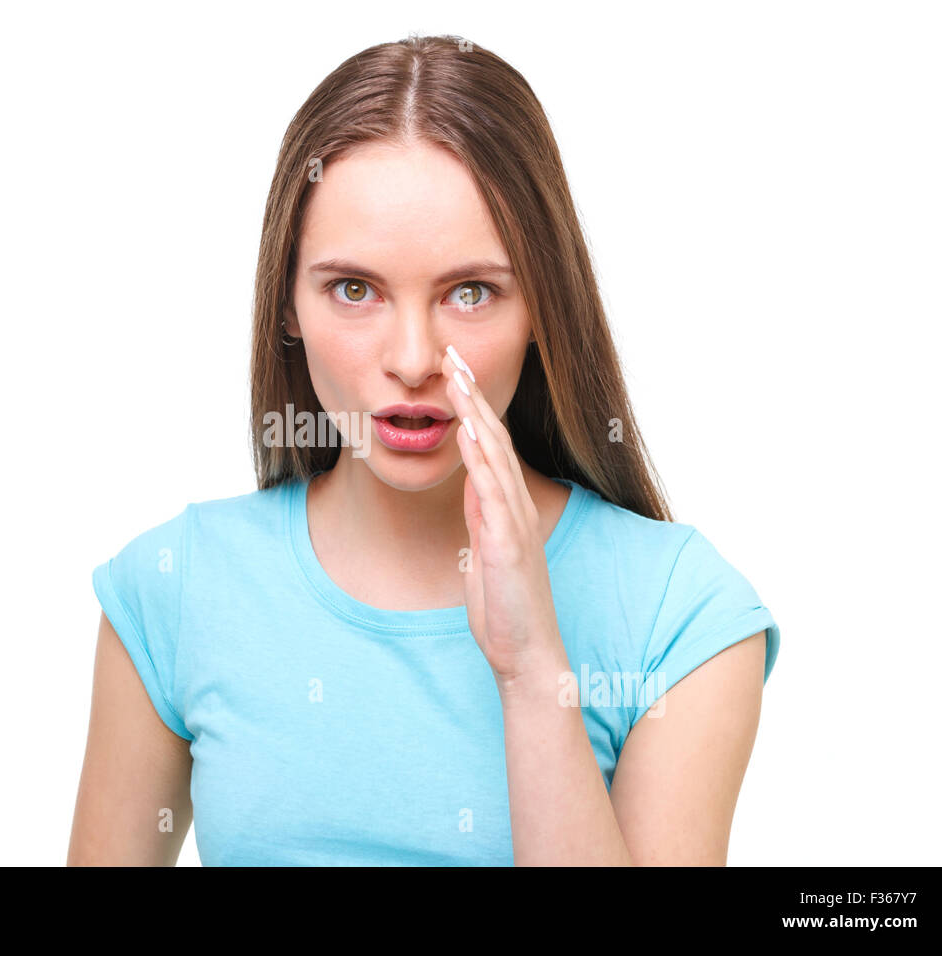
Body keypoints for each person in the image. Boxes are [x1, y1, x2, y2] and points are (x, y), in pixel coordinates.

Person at [67, 34, 779, 866]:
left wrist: (530, 669)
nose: (412, 359)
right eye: (354, 289)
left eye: (470, 292)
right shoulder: (173, 589)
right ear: (287, 305)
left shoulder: (679, 615)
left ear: (544, 304)